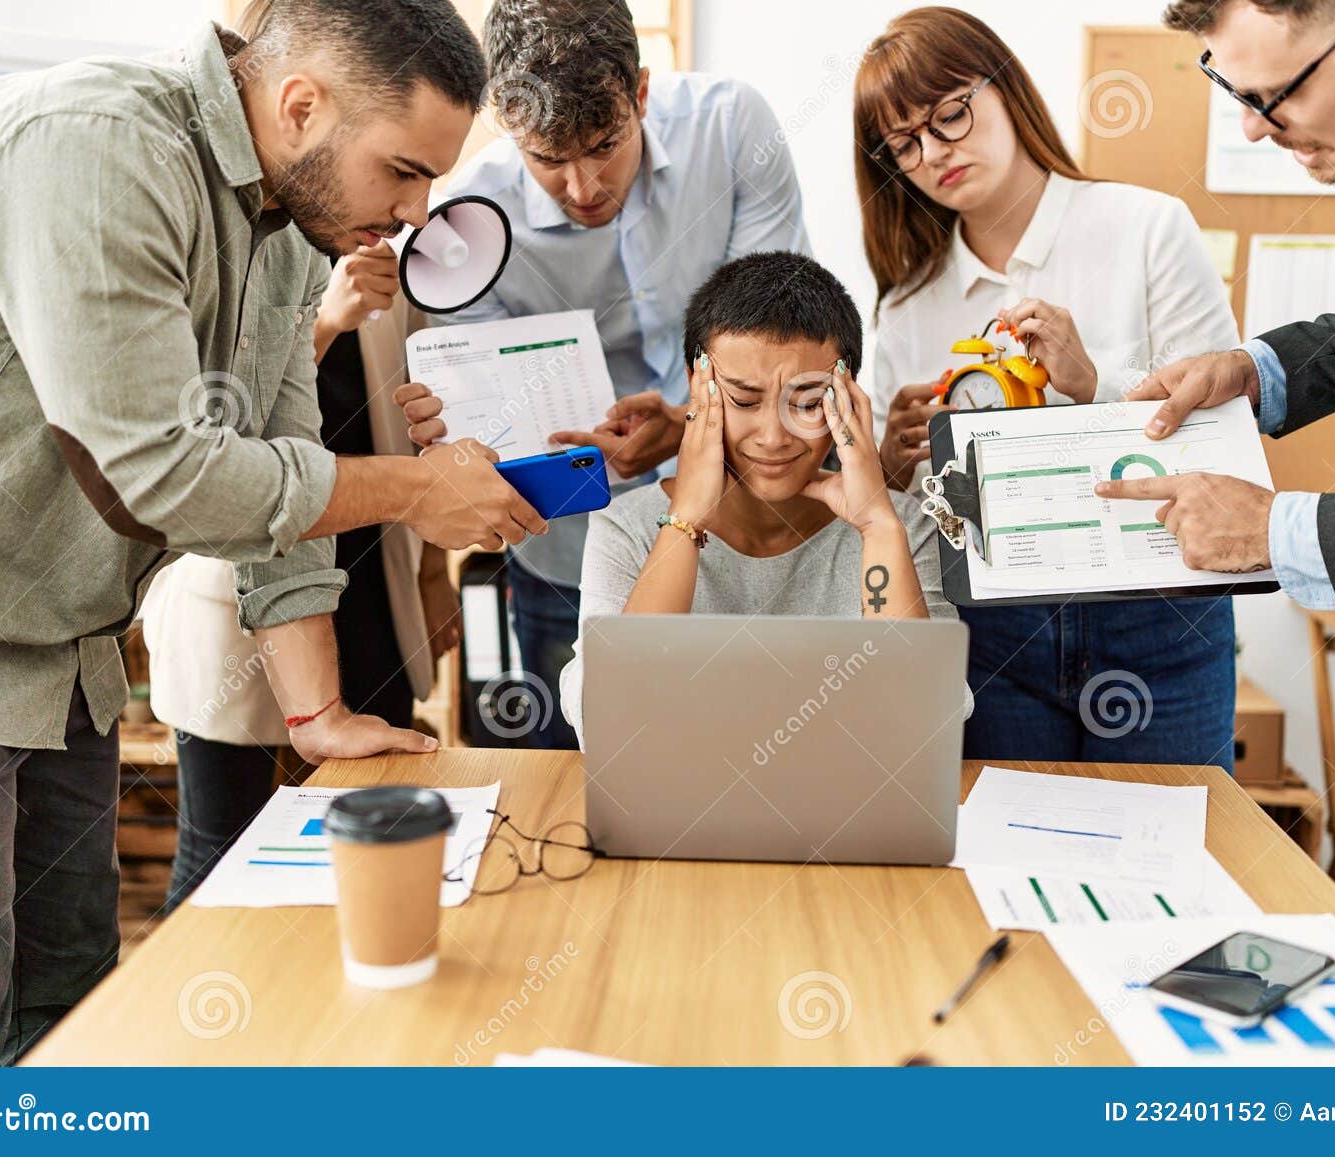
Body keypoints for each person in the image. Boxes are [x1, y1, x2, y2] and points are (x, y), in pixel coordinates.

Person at [0, 0, 546, 1066]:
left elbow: (281, 460)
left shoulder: (283, 226)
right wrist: (413, 492)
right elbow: (160, 473)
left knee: (74, 1011)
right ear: (301, 104)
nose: (418, 213)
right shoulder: (92, 146)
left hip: (60, 660)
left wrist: (316, 711)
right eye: (404, 170)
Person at [1120, 0, 1335, 905]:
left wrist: (1277, 532)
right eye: (1233, 92)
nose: (1249, 127)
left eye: (1275, 96)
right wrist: (1260, 371)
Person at [398, 0, 811, 748]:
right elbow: (489, 432)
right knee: (581, 772)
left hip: (743, 532)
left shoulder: (733, 130)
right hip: (568, 555)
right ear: (506, 126)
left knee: (751, 764)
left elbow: (784, 346)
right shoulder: (463, 229)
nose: (582, 186)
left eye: (604, 145)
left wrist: (686, 428)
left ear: (641, 93)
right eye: (547, 160)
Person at [854, 7, 1243, 769]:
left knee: (1180, 853)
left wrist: (1095, 381)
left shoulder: (1148, 228)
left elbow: (1227, 435)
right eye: (904, 143)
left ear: (1007, 89)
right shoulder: (908, 303)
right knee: (1009, 859)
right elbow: (905, 508)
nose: (934, 152)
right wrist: (896, 461)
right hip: (998, 625)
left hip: (1160, 614)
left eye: (950, 116)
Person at [144, 242, 462, 913]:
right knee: (221, 846)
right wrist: (321, 323)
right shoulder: (223, 258)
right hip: (235, 595)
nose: (409, 211)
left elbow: (424, 447)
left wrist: (435, 580)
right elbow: (210, 442)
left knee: (378, 833)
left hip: (374, 587)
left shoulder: (389, 270)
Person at [559, 251, 968, 746]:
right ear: (697, 387)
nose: (774, 437)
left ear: (848, 396)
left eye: (809, 402)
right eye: (745, 401)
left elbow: (921, 729)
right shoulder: (627, 527)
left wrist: (878, 529)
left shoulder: (904, 528)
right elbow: (611, 725)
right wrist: (685, 520)